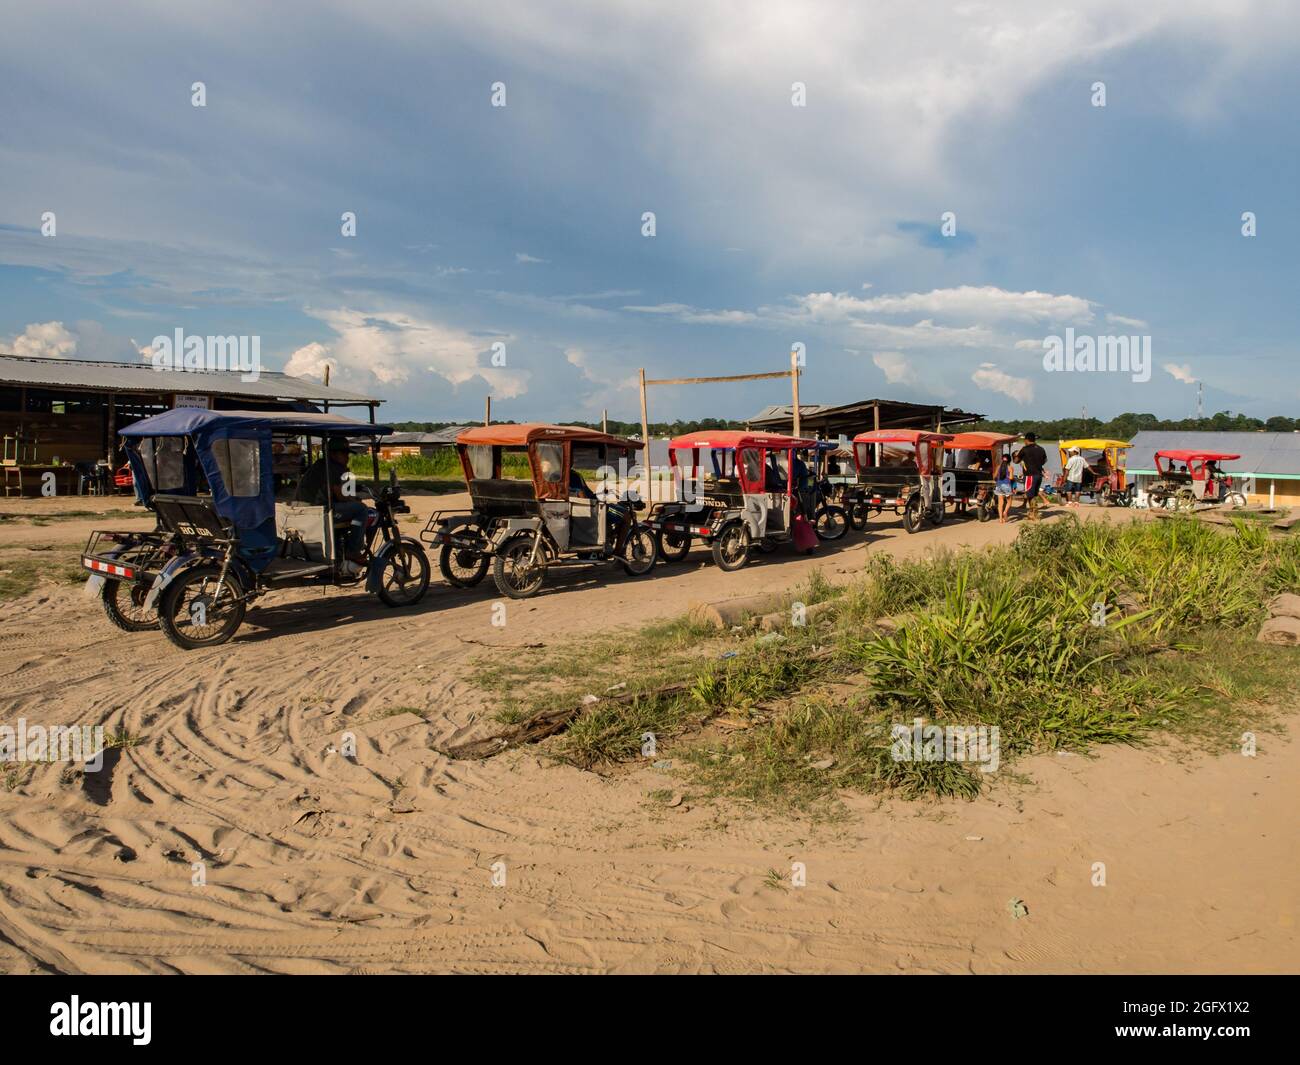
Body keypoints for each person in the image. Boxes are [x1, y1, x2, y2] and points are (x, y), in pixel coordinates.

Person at [299, 437, 370, 567]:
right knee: (361, 509)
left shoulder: (320, 464)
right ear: (333, 453)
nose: (347, 457)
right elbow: (342, 495)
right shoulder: (335, 468)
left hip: (305, 510)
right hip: (321, 511)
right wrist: (355, 499)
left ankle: (340, 546)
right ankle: (353, 550)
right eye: (344, 453)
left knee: (353, 507)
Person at [1015, 432, 1049, 520]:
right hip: (1039, 475)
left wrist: (1018, 454)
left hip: (1030, 475)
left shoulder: (1025, 449)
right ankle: (1032, 513)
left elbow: (1016, 461)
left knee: (1030, 495)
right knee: (1034, 494)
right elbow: (1045, 460)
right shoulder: (1041, 449)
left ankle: (1035, 514)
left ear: (1026, 440)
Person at [994, 449, 1014, 523]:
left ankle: (1000, 519)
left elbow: (995, 476)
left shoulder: (998, 466)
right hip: (1007, 485)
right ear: (1009, 460)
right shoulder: (1010, 468)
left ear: (1002, 459)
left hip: (999, 485)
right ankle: (1005, 512)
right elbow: (1011, 478)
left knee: (1000, 503)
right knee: (1009, 501)